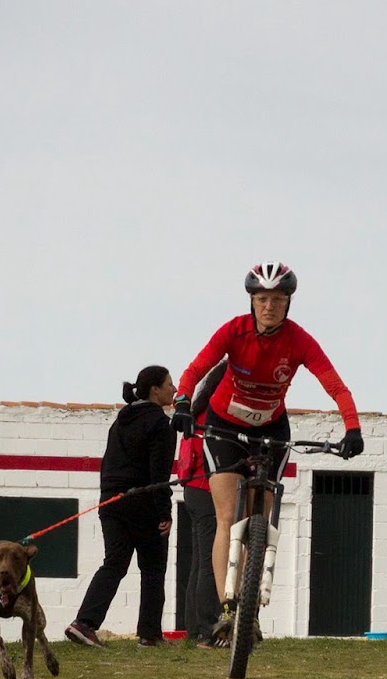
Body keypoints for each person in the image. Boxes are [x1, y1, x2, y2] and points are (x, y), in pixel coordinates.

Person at [174, 262, 364, 639]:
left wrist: (352, 428)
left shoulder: (298, 340)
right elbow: (197, 368)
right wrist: (181, 402)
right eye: (262, 298)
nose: (269, 306)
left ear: (288, 303)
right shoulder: (233, 331)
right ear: (251, 300)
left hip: (271, 427)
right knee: (227, 517)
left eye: (278, 299)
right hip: (224, 424)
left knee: (257, 520)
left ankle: (250, 611)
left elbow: (335, 385)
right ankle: (227, 609)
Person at [66, 366, 178, 647]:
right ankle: (150, 635)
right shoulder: (159, 424)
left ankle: (85, 623)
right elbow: (159, 474)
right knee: (153, 567)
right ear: (155, 389)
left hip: (111, 502)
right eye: (169, 385)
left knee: (114, 563)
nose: (174, 390)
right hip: (142, 502)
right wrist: (164, 513)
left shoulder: (120, 421)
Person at [174, 361, 227, 646]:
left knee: (199, 560)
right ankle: (208, 630)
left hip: (193, 490)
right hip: (208, 489)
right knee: (209, 560)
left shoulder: (198, 409)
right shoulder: (217, 413)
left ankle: (194, 628)